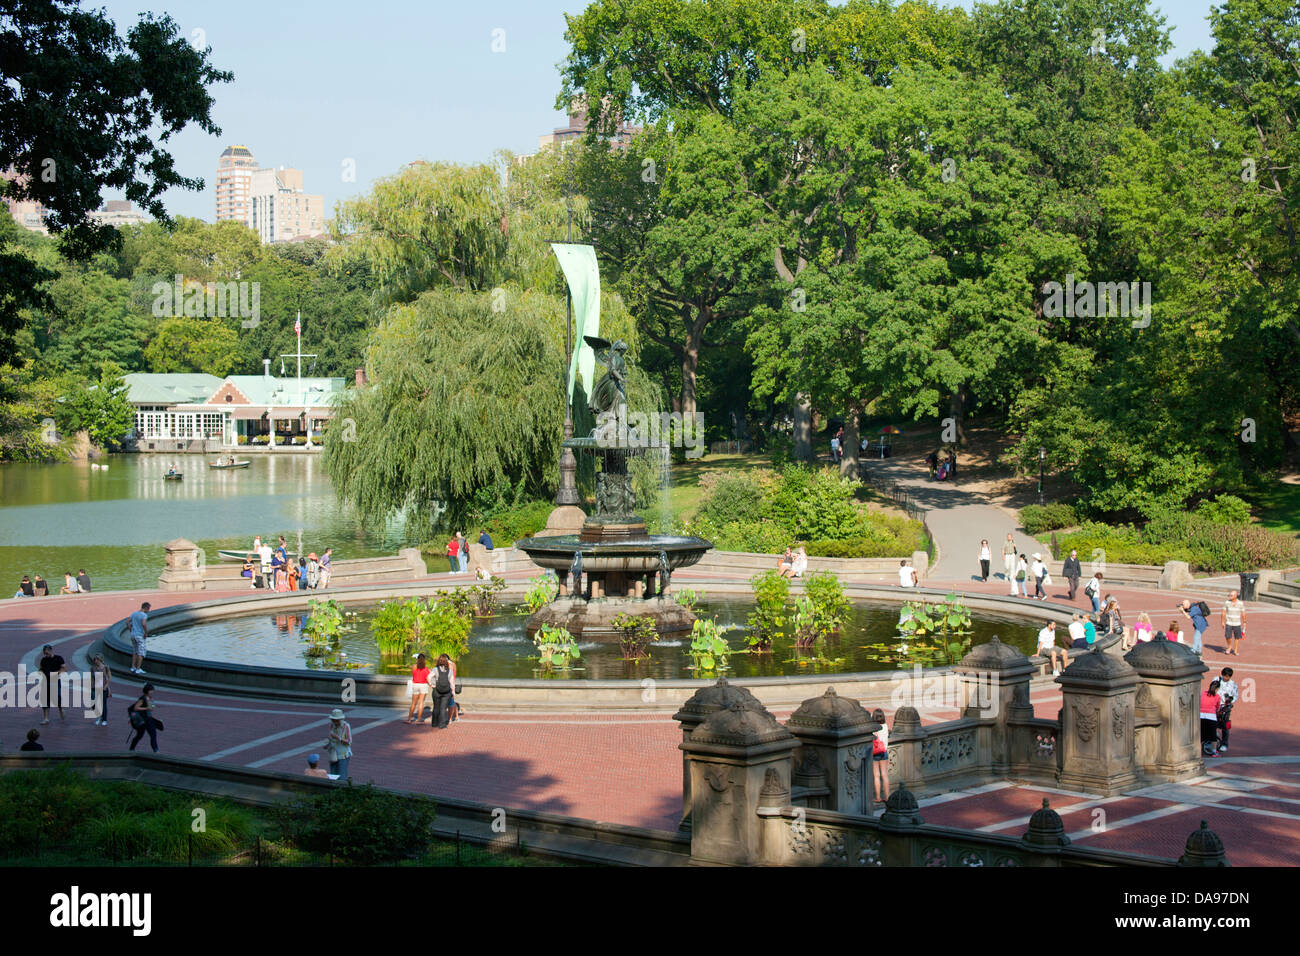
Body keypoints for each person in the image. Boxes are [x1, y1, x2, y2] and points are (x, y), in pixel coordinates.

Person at [128, 684, 160, 753]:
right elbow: (136, 707)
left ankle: (156, 750)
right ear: (147, 691)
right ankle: (132, 748)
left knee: (153, 734)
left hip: (149, 719)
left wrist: (152, 705)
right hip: (143, 720)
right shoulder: (142, 699)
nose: (152, 692)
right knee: (140, 735)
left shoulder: (150, 698)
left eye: (152, 690)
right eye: (151, 690)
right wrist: (146, 708)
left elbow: (152, 708)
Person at [38, 644, 65, 724]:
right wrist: (40, 672)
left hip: (55, 681)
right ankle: (46, 718)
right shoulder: (43, 660)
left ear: (50, 650)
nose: (45, 655)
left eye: (46, 653)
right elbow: (40, 669)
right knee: (45, 700)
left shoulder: (58, 658)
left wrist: (56, 673)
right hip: (45, 682)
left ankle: (61, 710)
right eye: (44, 653)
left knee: (57, 698)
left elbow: (64, 668)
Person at [430, 654, 456, 729]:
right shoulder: (450, 671)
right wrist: (453, 691)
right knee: (443, 708)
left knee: (436, 707)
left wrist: (431, 685)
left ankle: (434, 723)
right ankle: (442, 724)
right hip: (446, 692)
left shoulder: (435, 669)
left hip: (437, 690)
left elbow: (428, 677)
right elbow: (452, 682)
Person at [870, 708, 890, 805]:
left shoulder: (873, 728)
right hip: (884, 752)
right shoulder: (885, 726)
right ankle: (887, 796)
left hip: (875, 753)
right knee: (884, 775)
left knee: (876, 776)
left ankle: (878, 797)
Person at [1216, 668, 1238, 753]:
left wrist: (1230, 700)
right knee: (1213, 723)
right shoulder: (1217, 679)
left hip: (1225, 708)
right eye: (1224, 676)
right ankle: (1213, 741)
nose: (1226, 678)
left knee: (1225, 726)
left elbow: (1235, 696)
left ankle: (1224, 744)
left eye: (1227, 677)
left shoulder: (1233, 685)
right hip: (1215, 706)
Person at [326, 709, 352, 779]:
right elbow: (331, 739)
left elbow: (349, 742)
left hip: (343, 755)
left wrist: (338, 738)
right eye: (333, 720)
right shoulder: (331, 725)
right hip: (333, 754)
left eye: (336, 720)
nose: (335, 722)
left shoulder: (346, 726)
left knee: (342, 776)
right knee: (333, 775)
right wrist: (327, 745)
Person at [1200, 679, 1222, 756]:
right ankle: (1214, 751)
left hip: (1201, 716)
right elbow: (1218, 708)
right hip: (1211, 717)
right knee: (1213, 736)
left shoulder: (1203, 694)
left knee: (1200, 735)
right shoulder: (1217, 697)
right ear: (1217, 689)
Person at [1221, 590, 1246, 656]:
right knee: (1227, 636)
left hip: (1237, 623)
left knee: (1237, 637)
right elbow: (1223, 612)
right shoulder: (1227, 602)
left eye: (1231, 595)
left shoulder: (1240, 603)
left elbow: (1243, 613)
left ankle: (1236, 650)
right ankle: (1229, 646)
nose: (1230, 596)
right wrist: (1222, 622)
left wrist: (1244, 622)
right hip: (1229, 622)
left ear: (1235, 596)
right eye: (1230, 595)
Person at [408, 653, 431, 724]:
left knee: (413, 703)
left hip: (415, 685)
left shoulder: (414, 666)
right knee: (421, 702)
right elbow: (427, 678)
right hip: (423, 685)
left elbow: (413, 673)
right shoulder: (426, 669)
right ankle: (418, 719)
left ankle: (409, 719)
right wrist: (430, 684)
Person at [129, 602, 150, 675]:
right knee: (141, 652)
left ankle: (133, 667)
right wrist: (146, 632)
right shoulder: (144, 615)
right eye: (148, 609)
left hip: (133, 635)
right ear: (146, 608)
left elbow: (127, 622)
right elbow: (143, 624)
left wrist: (130, 629)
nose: (149, 611)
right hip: (140, 636)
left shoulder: (134, 613)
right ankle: (138, 669)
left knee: (135, 651)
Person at [90, 654, 111, 726]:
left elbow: (109, 677)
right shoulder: (93, 668)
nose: (95, 661)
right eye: (95, 660)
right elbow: (92, 678)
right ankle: (99, 715)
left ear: (100, 660)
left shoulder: (106, 667)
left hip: (103, 688)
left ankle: (104, 719)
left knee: (103, 704)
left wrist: (106, 686)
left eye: (97, 659)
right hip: (94, 688)